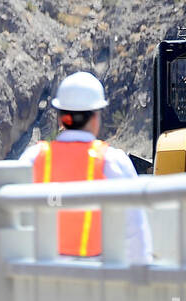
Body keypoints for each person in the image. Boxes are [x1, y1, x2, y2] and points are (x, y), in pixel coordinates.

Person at [19, 71, 151, 262]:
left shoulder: (32, 158)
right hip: (96, 280)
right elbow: (135, 232)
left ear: (60, 117)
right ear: (96, 116)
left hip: (43, 279)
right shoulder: (113, 162)